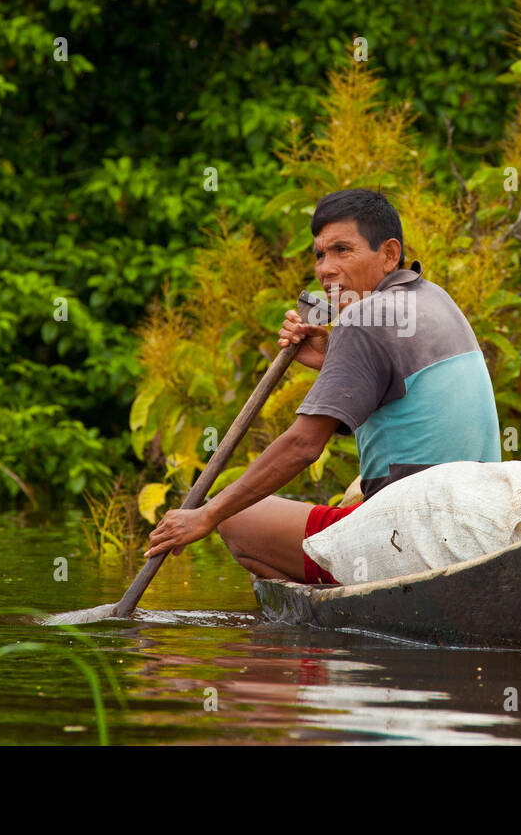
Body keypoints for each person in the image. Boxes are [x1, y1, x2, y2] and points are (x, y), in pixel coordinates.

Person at [144, 188, 501, 583]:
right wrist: (331, 356)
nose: (325, 269)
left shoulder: (362, 318)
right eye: (320, 254)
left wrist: (206, 516)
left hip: (413, 534)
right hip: (476, 521)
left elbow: (303, 446)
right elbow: (398, 386)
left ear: (389, 254)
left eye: (342, 250)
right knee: (352, 494)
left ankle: (326, 615)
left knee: (237, 521)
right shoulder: (434, 298)